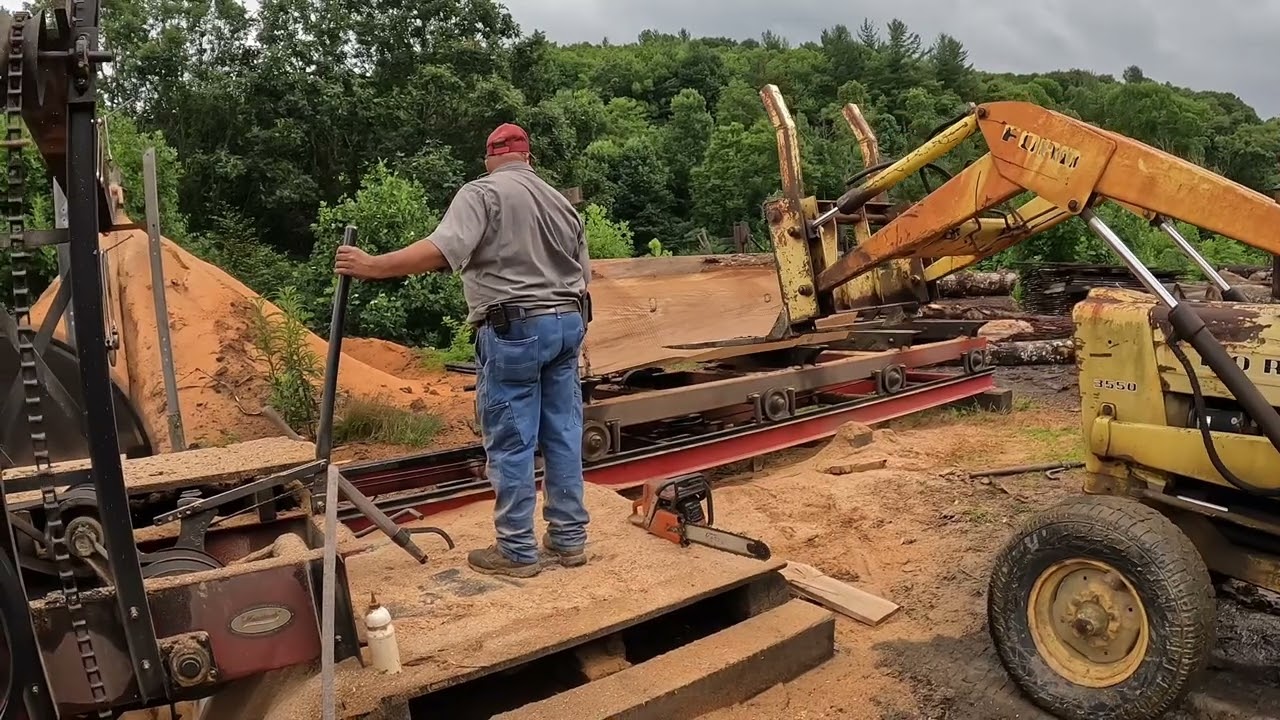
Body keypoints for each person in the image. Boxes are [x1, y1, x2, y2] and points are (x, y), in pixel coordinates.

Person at [334, 123, 591, 579]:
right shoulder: (560, 201)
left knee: (512, 439)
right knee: (563, 433)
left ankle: (517, 549)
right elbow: (582, 273)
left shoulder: (482, 193)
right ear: (528, 158)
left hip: (515, 327)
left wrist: (373, 266)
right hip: (569, 323)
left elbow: (442, 249)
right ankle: (569, 541)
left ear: (490, 158)